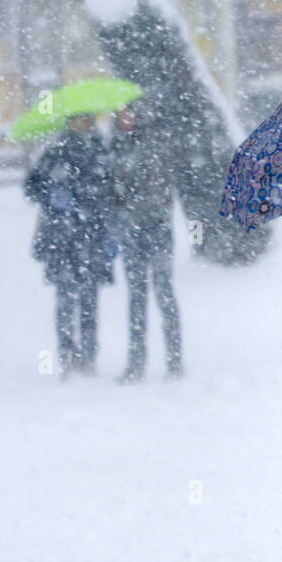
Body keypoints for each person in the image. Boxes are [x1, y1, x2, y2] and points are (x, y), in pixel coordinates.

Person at [24, 114, 115, 377]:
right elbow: (31, 187)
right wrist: (50, 194)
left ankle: (88, 356)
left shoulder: (102, 152)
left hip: (93, 237)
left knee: (89, 301)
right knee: (65, 299)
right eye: (77, 120)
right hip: (61, 239)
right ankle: (66, 353)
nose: (82, 125)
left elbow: (113, 193)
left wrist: (111, 231)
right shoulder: (54, 152)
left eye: (86, 120)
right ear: (69, 123)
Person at [111, 106, 183, 383]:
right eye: (120, 116)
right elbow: (114, 186)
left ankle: (174, 360)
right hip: (132, 231)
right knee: (136, 297)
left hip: (156, 228)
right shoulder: (116, 147)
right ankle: (136, 362)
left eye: (129, 114)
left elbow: (157, 185)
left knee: (164, 293)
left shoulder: (153, 145)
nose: (125, 120)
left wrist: (126, 187)